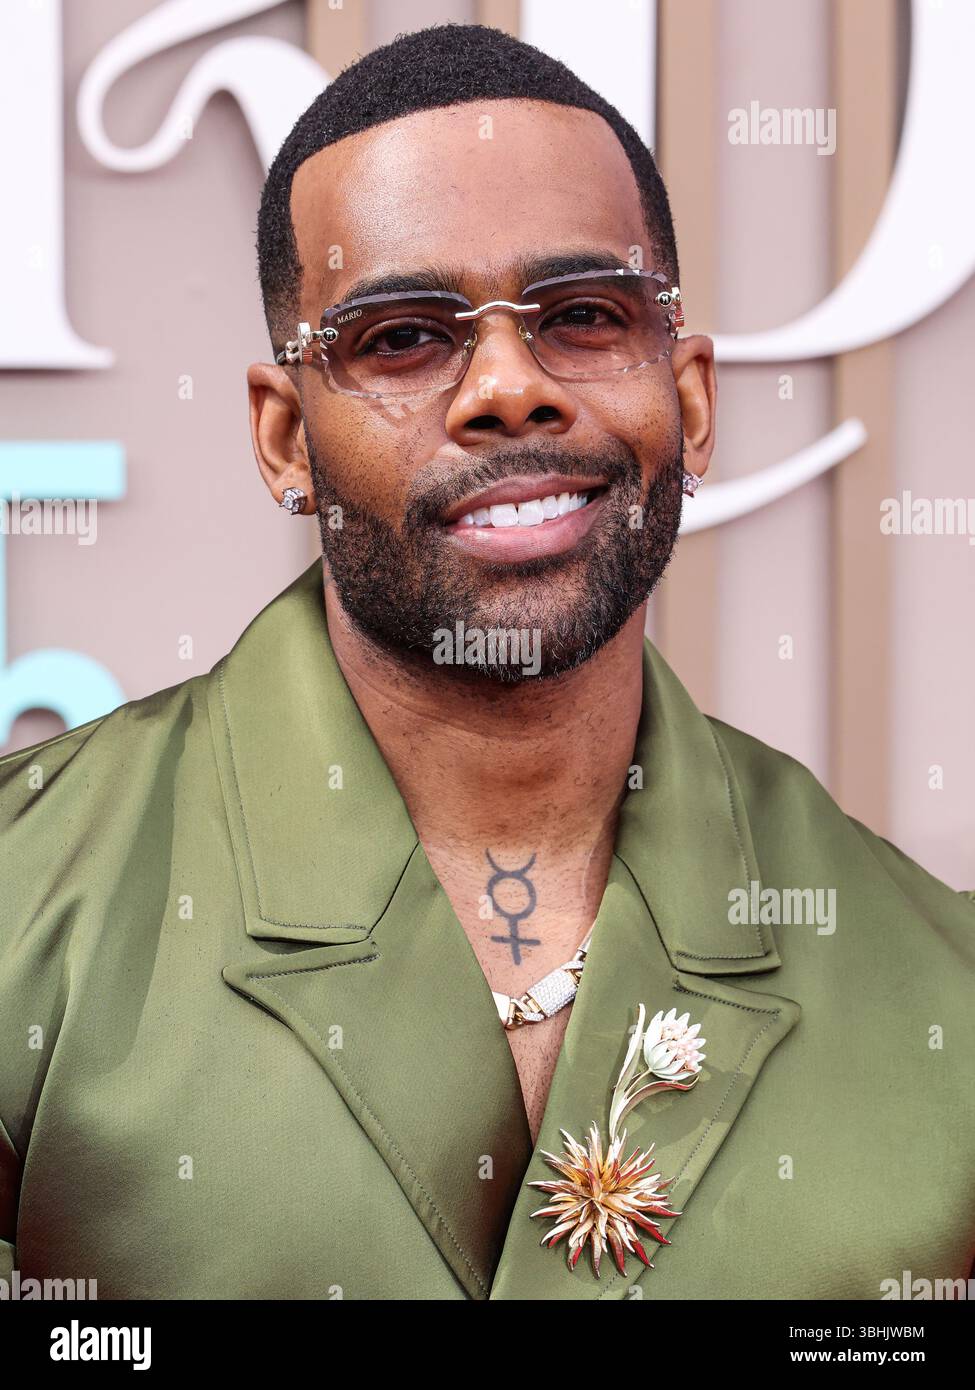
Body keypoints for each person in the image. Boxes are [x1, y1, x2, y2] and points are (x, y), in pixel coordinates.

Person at [1, 23, 971, 1302]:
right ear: (286, 439)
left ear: (690, 396)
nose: (509, 387)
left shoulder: (939, 988)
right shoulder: (26, 915)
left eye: (582, 316)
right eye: (404, 337)